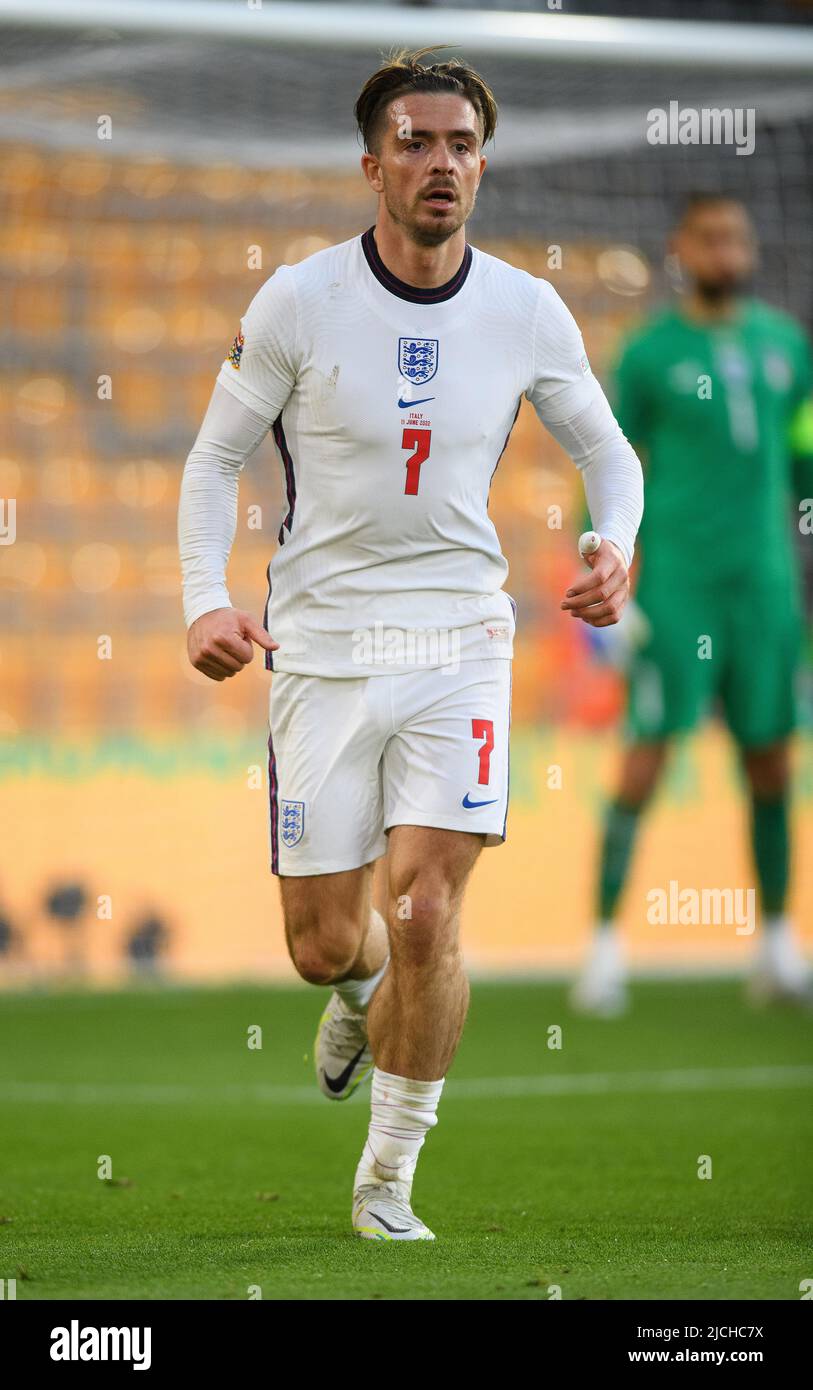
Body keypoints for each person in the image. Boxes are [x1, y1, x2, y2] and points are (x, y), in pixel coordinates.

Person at [178, 47, 643, 1240]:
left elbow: (609, 452)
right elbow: (213, 460)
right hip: (323, 647)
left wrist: (614, 539)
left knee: (429, 905)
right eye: (420, 142)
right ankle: (362, 983)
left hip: (459, 641)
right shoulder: (297, 298)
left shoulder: (527, 308)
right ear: (373, 163)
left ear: (482, 165)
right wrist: (201, 598)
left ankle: (387, 1179)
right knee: (325, 941)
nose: (444, 163)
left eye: (463, 145)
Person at [572, 194, 813, 1017]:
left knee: (772, 761)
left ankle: (778, 947)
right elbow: (604, 460)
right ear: (681, 248)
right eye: (710, 237)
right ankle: (602, 949)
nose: (726, 250)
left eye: (738, 236)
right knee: (645, 757)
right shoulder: (648, 356)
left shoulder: (786, 346)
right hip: (675, 587)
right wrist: (605, 561)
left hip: (764, 587)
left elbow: (805, 455)